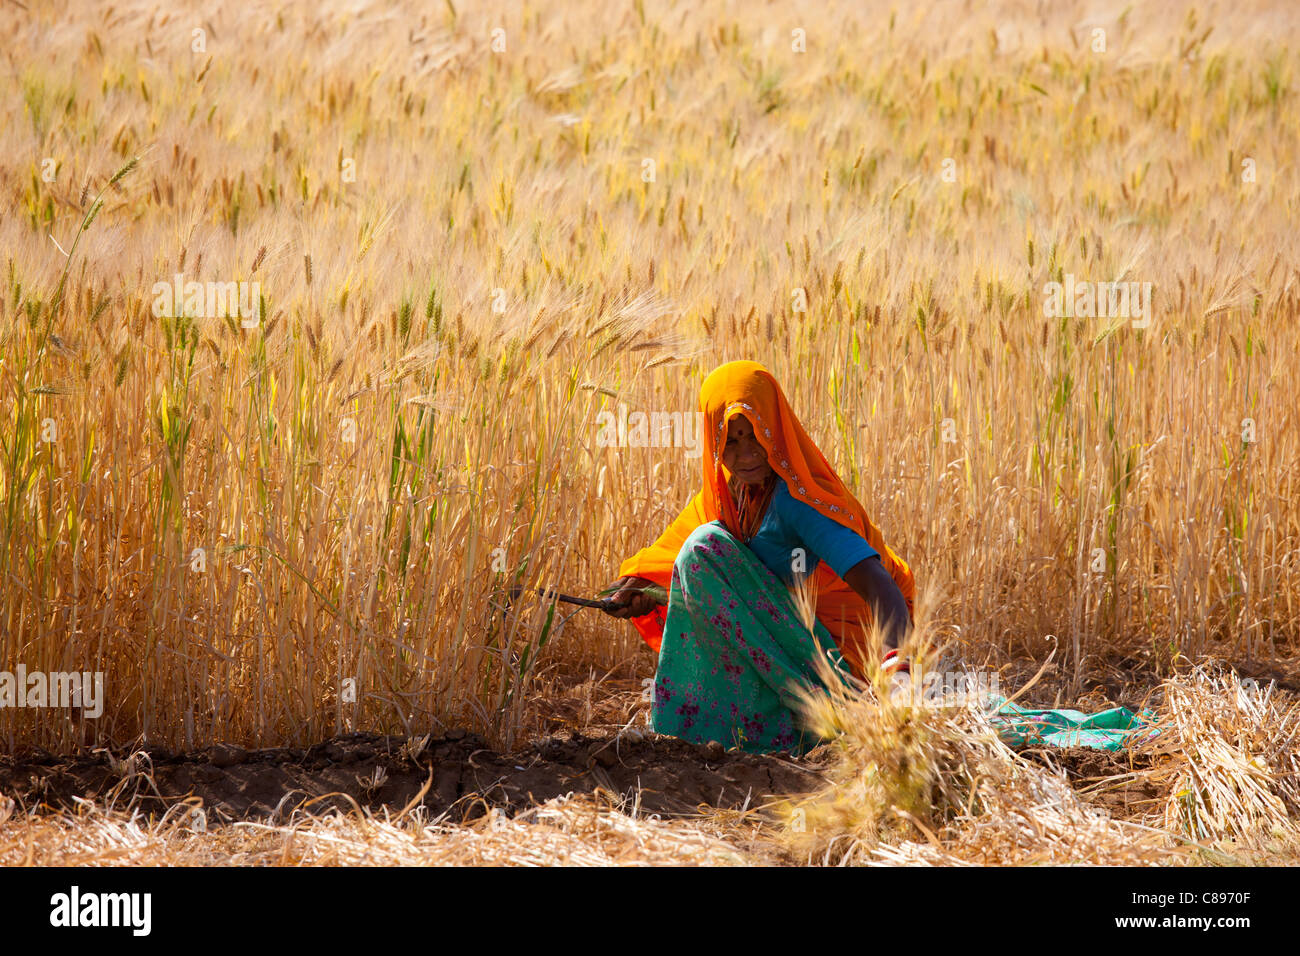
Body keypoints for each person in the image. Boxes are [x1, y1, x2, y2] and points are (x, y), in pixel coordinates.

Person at [603, 360, 916, 754]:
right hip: (796, 654)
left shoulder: (797, 501)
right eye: (730, 441)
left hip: (844, 667)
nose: (748, 454)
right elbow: (714, 576)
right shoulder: (730, 497)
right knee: (702, 548)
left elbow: (879, 586)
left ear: (777, 432)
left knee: (704, 548)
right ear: (714, 442)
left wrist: (898, 678)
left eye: (758, 437)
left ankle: (826, 717)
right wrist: (648, 589)